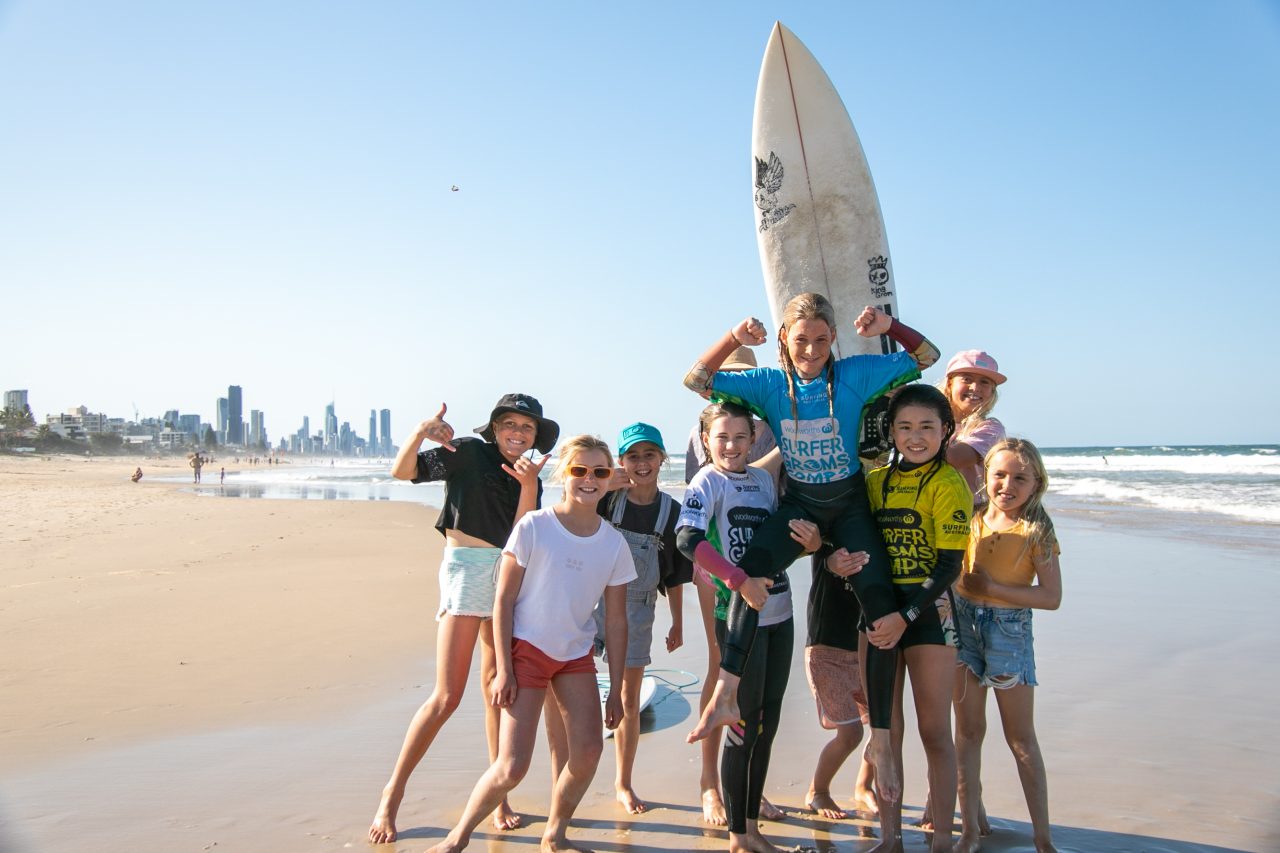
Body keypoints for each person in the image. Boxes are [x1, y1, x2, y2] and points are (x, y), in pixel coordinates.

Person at [682, 292, 939, 807]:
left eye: (822, 340)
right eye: (801, 340)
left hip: (849, 507)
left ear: (834, 339)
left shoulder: (855, 375)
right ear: (785, 339)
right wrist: (733, 337)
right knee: (750, 573)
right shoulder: (770, 385)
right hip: (800, 505)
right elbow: (697, 380)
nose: (812, 350)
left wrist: (889, 325)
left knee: (879, 604)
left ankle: (881, 739)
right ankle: (727, 691)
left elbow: (926, 356)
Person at [424, 435, 636, 853]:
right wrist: (504, 668)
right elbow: (503, 601)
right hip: (526, 653)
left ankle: (555, 834)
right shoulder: (535, 526)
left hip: (574, 657)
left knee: (589, 753)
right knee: (512, 767)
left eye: (599, 471)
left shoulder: (614, 544)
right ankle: (458, 837)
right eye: (579, 470)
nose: (589, 479)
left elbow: (615, 621)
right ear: (563, 474)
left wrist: (616, 690)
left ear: (609, 477)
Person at [368, 395, 557, 845]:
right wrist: (420, 432)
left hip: (509, 574)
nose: (518, 433)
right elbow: (402, 472)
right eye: (509, 424)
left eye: (527, 427)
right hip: (468, 571)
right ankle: (392, 794)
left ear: (535, 436)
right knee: (447, 696)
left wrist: (529, 487)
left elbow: (520, 536)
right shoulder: (469, 452)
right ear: (494, 428)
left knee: (497, 691)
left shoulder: (530, 474)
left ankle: (497, 796)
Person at [676, 401, 827, 853]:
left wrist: (813, 545)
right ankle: (739, 837)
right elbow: (687, 539)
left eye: (740, 437)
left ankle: (752, 826)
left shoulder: (763, 481)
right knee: (742, 725)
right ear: (706, 440)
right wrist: (738, 580)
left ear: (753, 438)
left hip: (780, 611)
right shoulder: (707, 482)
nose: (731, 446)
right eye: (722, 437)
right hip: (739, 617)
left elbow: (781, 542)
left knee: (767, 721)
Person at [544, 422, 691, 815]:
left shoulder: (672, 512)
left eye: (649, 455)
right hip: (587, 601)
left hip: (638, 609)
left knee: (628, 699)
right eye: (632, 456)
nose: (642, 463)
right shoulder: (608, 499)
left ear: (662, 459)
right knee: (564, 689)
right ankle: (562, 777)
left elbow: (675, 575)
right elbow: (572, 505)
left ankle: (623, 783)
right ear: (620, 462)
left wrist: (677, 622)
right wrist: (607, 482)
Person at [865, 384, 973, 851]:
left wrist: (906, 616)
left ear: (945, 430)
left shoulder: (950, 484)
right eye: (905, 427)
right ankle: (891, 839)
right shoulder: (874, 483)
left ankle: (942, 840)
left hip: (929, 615)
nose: (915, 436)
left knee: (934, 732)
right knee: (886, 732)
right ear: (890, 431)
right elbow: (852, 542)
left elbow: (949, 567)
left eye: (927, 427)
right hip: (878, 615)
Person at [683, 345, 780, 827]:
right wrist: (726, 574)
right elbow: (696, 515)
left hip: (760, 571)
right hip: (716, 570)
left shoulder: (767, 429)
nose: (735, 386)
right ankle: (709, 782)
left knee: (757, 683)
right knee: (722, 665)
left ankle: (746, 786)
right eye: (729, 376)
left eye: (744, 377)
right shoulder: (705, 431)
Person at [953, 438, 1062, 853]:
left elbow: (1051, 597)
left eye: (1020, 478)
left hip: (1009, 632)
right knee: (968, 732)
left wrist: (993, 589)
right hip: (963, 627)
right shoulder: (971, 518)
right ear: (985, 476)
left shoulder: (1037, 530)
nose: (1008, 485)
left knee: (1020, 738)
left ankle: (1043, 839)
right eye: (999, 475)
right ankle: (969, 831)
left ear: (1037, 484)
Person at [684, 346, 778, 483]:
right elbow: (699, 484)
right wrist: (780, 452)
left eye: (742, 379)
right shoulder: (699, 433)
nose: (734, 386)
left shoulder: (774, 431)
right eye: (728, 378)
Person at [939, 350, 1007, 501]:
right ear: (950, 383)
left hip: (970, 509)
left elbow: (953, 458)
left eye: (985, 382)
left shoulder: (991, 429)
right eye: (967, 379)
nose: (975, 387)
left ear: (992, 391)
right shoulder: (931, 421)